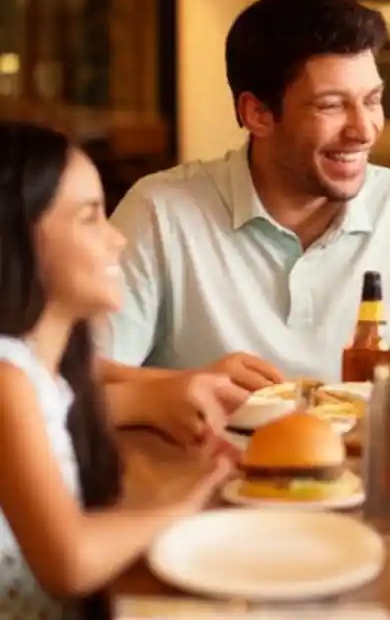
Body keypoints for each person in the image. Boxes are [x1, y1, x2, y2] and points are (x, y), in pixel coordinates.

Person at [101, 0, 390, 388]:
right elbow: (81, 380)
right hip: (207, 450)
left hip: (358, 451)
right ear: (258, 114)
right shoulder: (160, 212)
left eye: (372, 100)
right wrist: (187, 385)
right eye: (331, 105)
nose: (364, 130)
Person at [0, 122, 233, 619]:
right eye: (90, 218)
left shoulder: (49, 369)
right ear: (19, 235)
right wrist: (189, 504)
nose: (117, 240)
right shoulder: (7, 380)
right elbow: (71, 561)